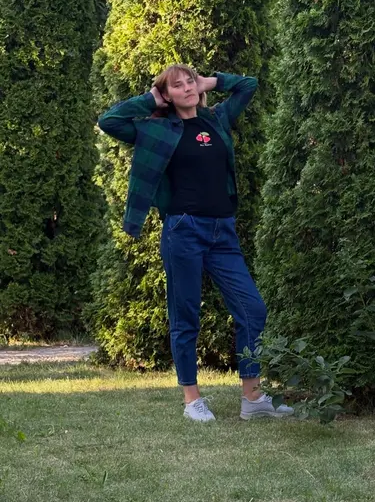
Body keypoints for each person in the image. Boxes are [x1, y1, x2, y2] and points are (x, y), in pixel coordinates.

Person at [98, 64, 294, 422]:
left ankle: (252, 398)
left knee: (252, 309)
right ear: (167, 95)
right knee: (185, 314)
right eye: (177, 85)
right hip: (183, 229)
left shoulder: (215, 120)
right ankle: (192, 400)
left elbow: (248, 85)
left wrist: (212, 81)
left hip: (223, 231)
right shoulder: (156, 128)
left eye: (190, 81)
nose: (187, 87)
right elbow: (109, 121)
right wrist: (150, 99)